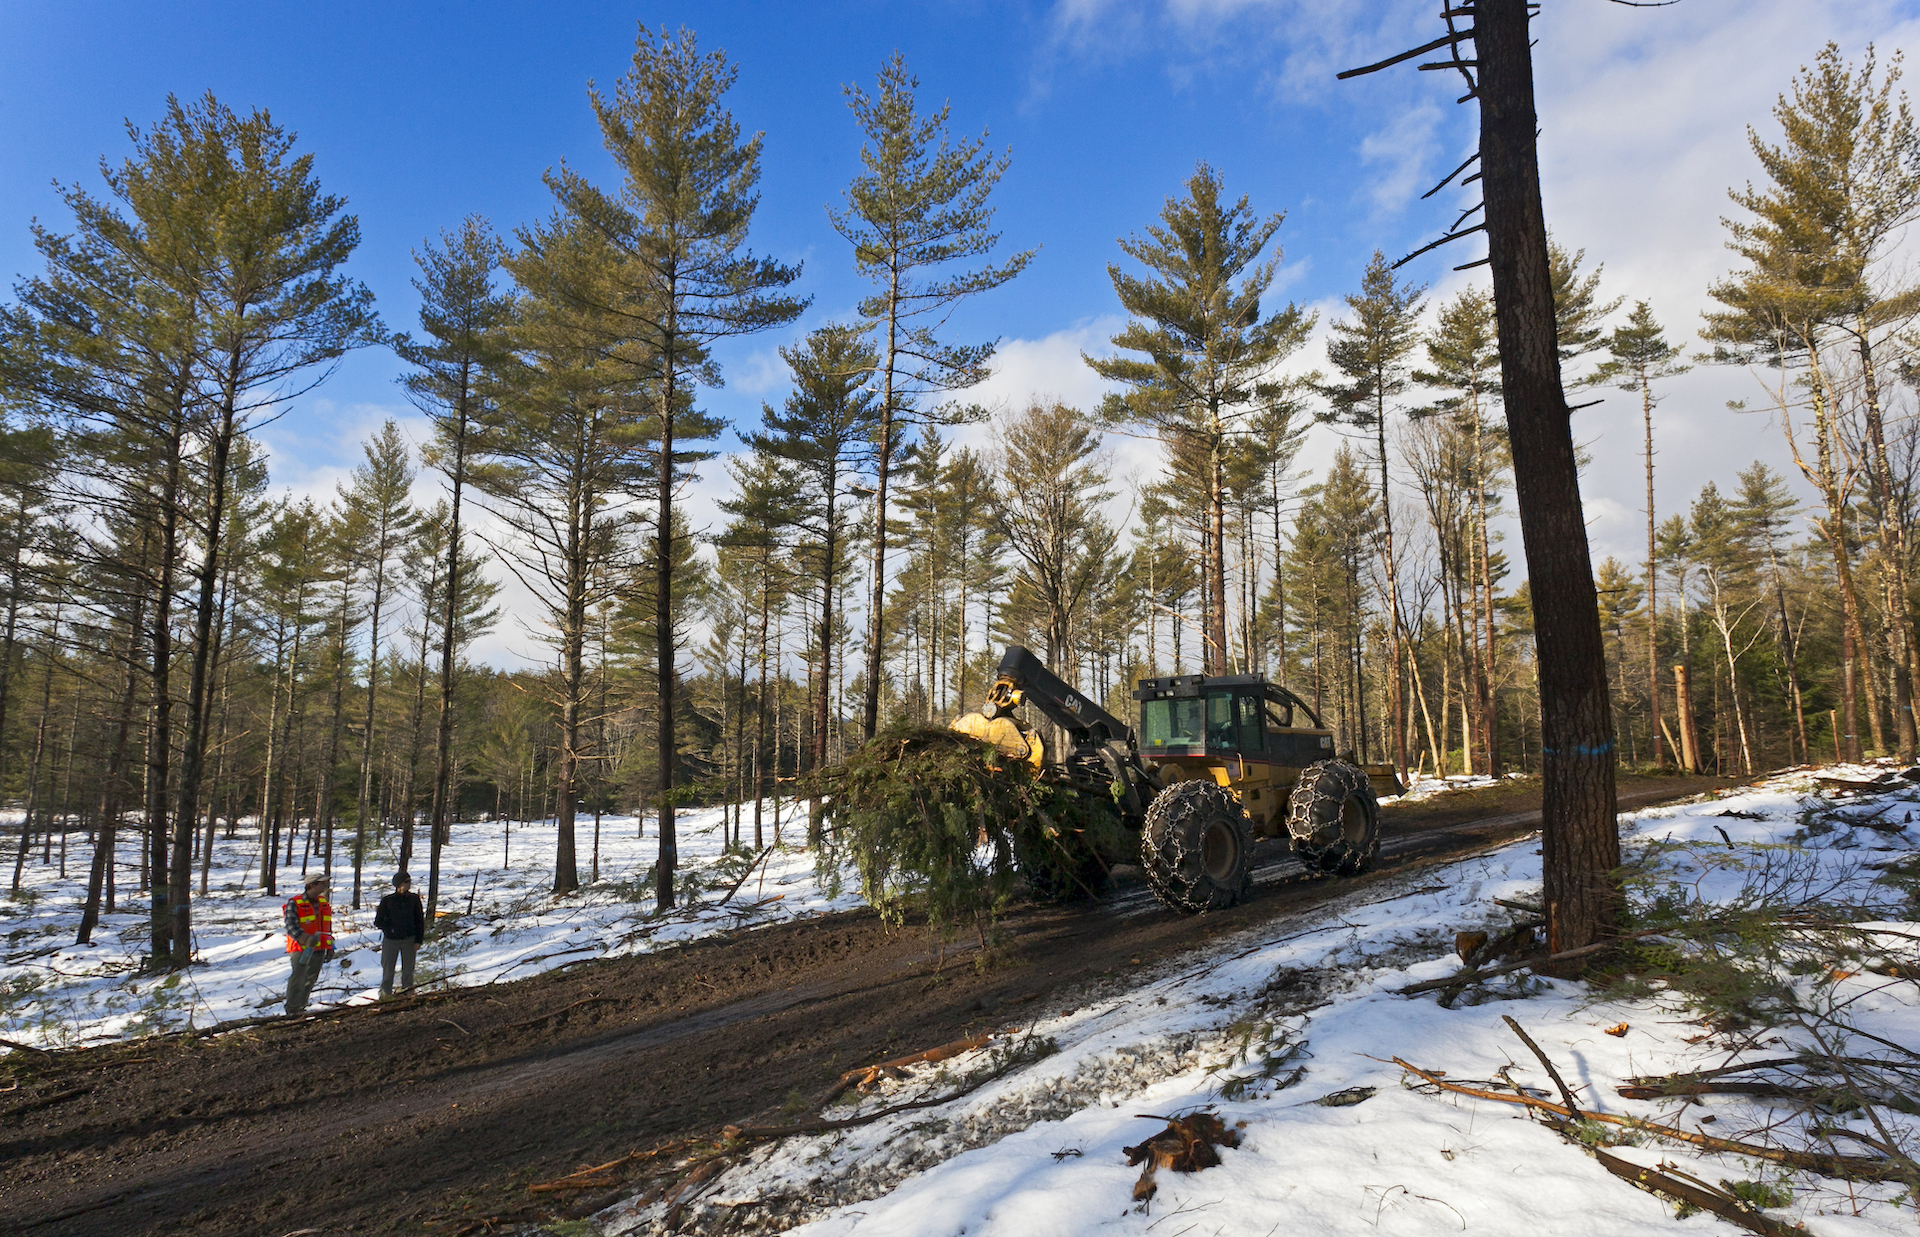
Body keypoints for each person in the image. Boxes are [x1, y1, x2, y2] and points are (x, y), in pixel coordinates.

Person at [282, 872, 335, 1015]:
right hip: (300, 948)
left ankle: (302, 1007)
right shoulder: (295, 902)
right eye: (322, 883)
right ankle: (292, 1009)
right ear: (312, 885)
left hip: (319, 948)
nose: (325, 886)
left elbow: (327, 928)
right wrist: (305, 939)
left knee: (311, 979)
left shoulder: (323, 903)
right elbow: (291, 926)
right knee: (298, 978)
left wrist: (329, 946)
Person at [373, 871, 426, 999]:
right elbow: (378, 922)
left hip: (409, 940)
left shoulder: (414, 899)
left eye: (409, 881)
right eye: (406, 881)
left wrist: (418, 940)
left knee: (408, 970)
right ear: (399, 884)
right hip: (391, 941)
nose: (409, 884)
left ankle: (408, 994)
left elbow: (419, 920)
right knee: (388, 970)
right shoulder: (388, 901)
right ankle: (385, 995)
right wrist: (390, 929)